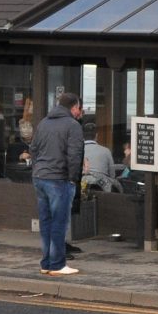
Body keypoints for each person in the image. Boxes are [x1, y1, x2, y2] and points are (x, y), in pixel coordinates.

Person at [28, 92, 84, 276]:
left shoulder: (44, 122)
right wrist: (73, 178)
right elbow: (75, 155)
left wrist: (38, 169)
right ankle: (57, 264)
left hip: (40, 177)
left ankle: (46, 263)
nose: (79, 112)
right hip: (59, 179)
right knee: (59, 223)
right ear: (74, 107)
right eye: (79, 108)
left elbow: (33, 149)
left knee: (46, 222)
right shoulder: (73, 125)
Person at [82, 122, 115, 192]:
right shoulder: (106, 151)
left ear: (83, 136)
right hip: (101, 188)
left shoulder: (76, 151)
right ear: (96, 136)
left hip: (81, 187)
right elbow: (112, 174)